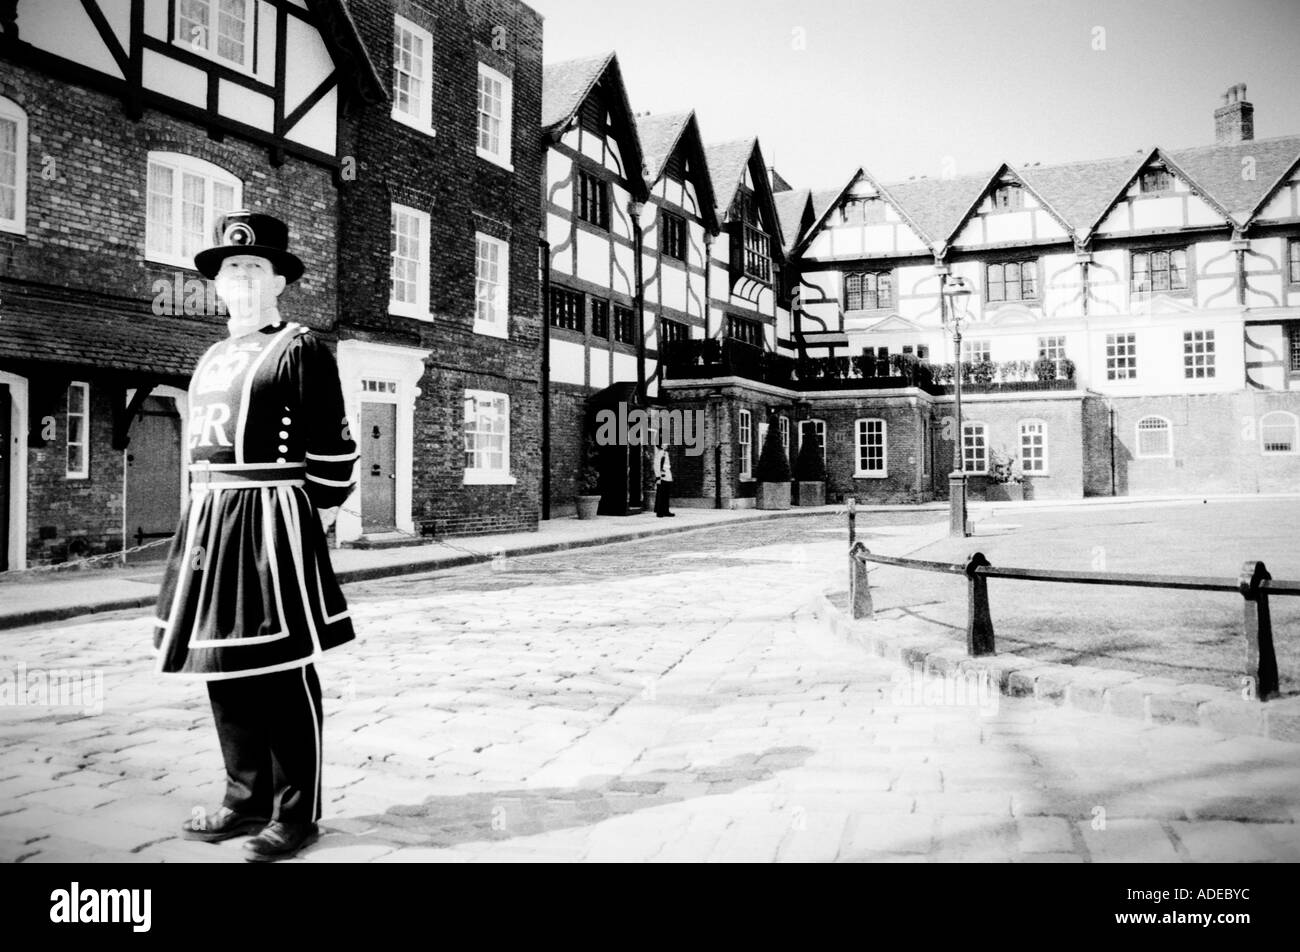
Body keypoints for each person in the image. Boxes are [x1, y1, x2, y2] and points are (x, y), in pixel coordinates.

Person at [152, 211, 359, 862]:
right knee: (222, 663)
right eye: (230, 271)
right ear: (217, 285)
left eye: (253, 269)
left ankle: (297, 813)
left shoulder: (300, 348)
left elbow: (335, 453)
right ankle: (245, 799)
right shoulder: (212, 356)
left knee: (280, 669)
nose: (240, 280)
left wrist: (309, 521)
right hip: (211, 521)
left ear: (277, 282)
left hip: (273, 520)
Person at [654, 444, 674, 517]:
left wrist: (670, 477)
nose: (667, 445)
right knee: (661, 495)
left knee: (666, 495)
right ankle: (659, 512)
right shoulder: (660, 453)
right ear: (661, 446)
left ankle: (666, 511)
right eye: (664, 444)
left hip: (667, 476)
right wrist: (658, 477)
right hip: (662, 477)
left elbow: (667, 467)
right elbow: (656, 465)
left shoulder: (666, 453)